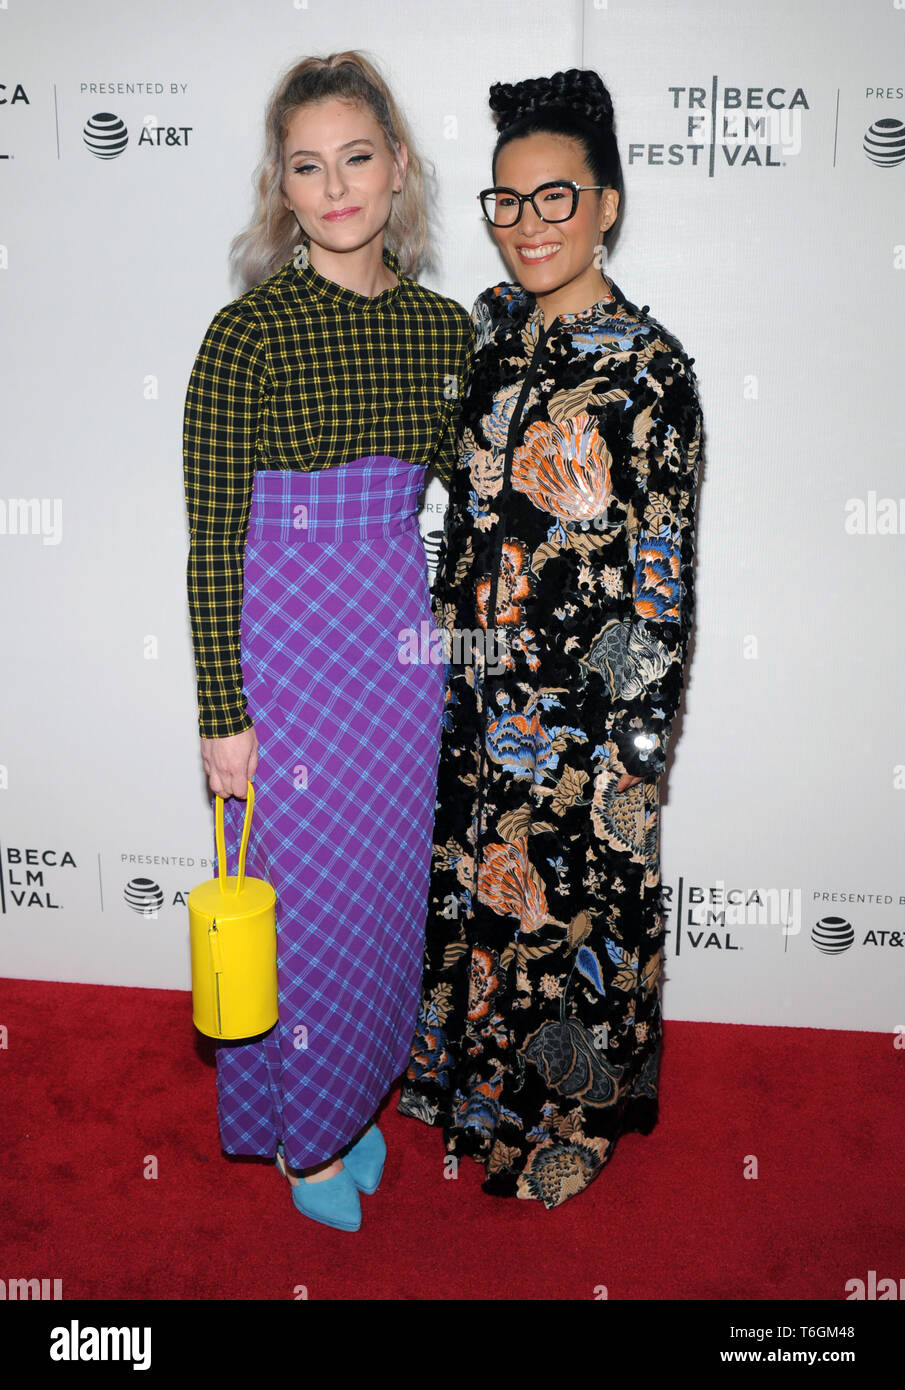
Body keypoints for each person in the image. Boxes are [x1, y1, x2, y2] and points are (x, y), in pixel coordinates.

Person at [398, 68, 704, 1208]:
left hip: (579, 722)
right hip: (471, 698)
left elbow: (661, 581)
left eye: (556, 198)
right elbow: (453, 516)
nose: (528, 227)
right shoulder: (483, 329)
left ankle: (553, 1139)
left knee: (559, 928)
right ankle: (466, 1105)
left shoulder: (649, 371)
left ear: (608, 203)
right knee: (476, 904)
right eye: (506, 202)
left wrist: (628, 761)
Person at [182, 51, 473, 1232]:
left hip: (397, 667)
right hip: (288, 660)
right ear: (282, 188)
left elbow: (474, 508)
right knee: (302, 906)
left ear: (396, 168)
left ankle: (352, 1106)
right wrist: (222, 713)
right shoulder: (243, 335)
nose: (336, 185)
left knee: (380, 903)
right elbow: (210, 545)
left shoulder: (445, 333)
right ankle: (304, 1141)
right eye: (309, 166)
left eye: (357, 157)